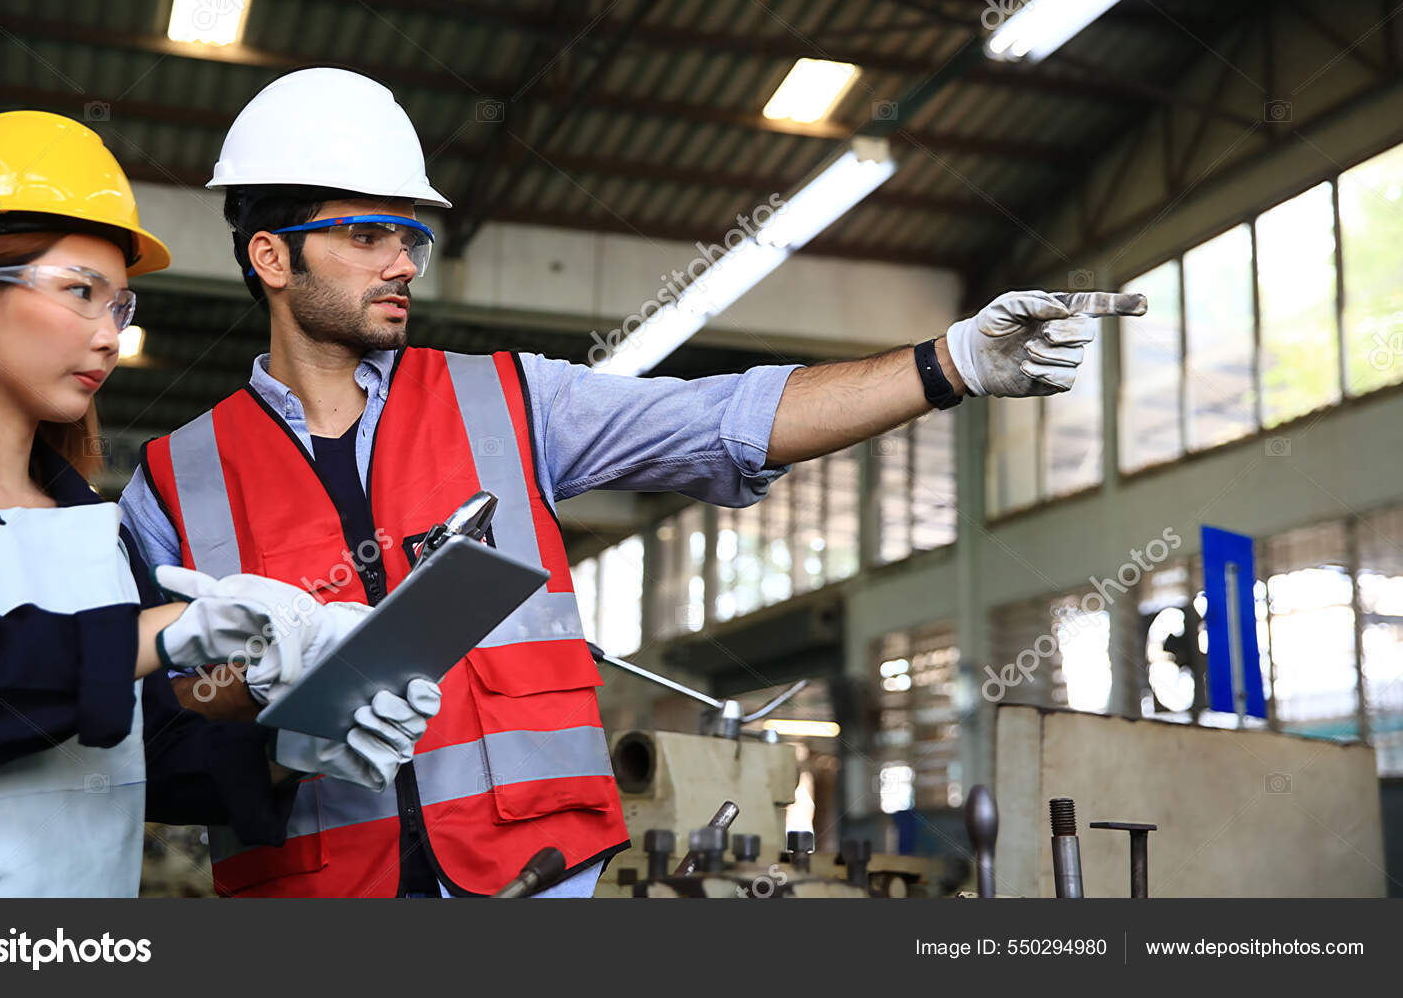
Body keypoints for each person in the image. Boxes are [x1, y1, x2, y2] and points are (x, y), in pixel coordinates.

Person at [120, 68, 1145, 899]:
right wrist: (279, 717)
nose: (402, 263)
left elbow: (725, 419)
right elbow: (151, 742)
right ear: (269, 256)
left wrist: (950, 363)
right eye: (364, 234)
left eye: (412, 236)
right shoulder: (172, 483)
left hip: (540, 882)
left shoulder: (514, 403)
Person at [0, 110, 436, 898]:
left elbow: (150, 752)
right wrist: (175, 628)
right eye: (80, 293)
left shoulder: (94, 534)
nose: (109, 336)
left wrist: (295, 746)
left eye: (119, 306)